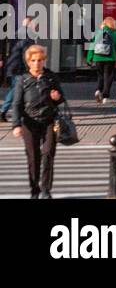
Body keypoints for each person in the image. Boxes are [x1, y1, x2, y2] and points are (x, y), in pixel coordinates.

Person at [11, 44, 62, 198]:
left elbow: (61, 98)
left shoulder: (51, 76)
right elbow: (17, 104)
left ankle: (46, 190)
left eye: (40, 60)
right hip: (29, 122)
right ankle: (35, 190)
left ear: (44, 61)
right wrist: (16, 124)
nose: (37, 63)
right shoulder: (23, 80)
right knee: (33, 157)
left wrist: (57, 98)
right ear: (28, 62)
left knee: (48, 155)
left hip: (49, 121)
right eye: (33, 60)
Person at [2, 15, 36, 122]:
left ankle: (8, 111)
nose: (37, 25)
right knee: (16, 91)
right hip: (19, 68)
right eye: (35, 23)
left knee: (16, 90)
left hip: (14, 67)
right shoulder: (26, 36)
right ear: (30, 24)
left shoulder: (18, 33)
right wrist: (30, 68)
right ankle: (3, 111)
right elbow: (27, 55)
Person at [86, 16, 116, 102]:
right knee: (108, 76)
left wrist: (89, 58)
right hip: (110, 58)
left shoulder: (98, 33)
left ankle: (98, 90)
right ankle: (105, 96)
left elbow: (92, 46)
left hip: (98, 57)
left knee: (100, 75)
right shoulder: (114, 33)